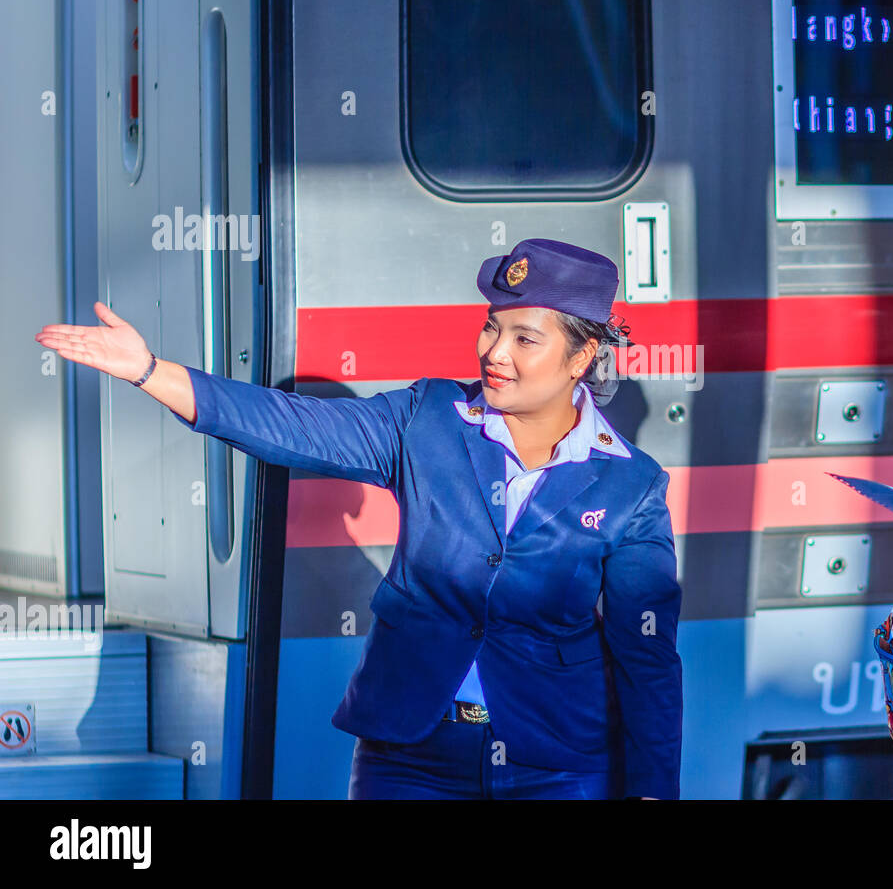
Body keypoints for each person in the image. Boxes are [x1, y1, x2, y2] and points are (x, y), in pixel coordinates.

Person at [35, 237, 683, 800]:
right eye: (492, 325)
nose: (495, 351)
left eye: (524, 338)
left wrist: (653, 791)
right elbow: (296, 426)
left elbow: (646, 658)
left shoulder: (630, 483)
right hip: (414, 758)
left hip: (556, 765)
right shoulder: (426, 419)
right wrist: (152, 372)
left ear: (580, 357)